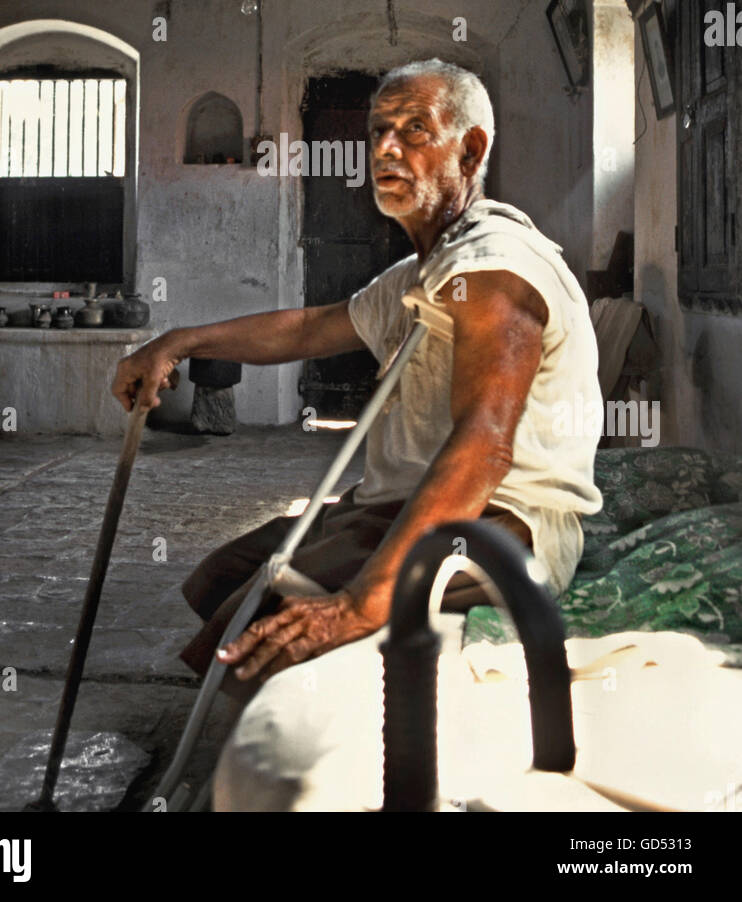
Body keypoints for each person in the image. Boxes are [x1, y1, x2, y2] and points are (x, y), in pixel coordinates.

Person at [112, 59, 603, 695]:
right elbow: (310, 329)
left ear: (471, 149)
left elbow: (486, 440)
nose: (386, 149)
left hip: (496, 524)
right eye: (378, 132)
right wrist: (180, 341)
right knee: (221, 580)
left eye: (416, 130)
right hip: (395, 503)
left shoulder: (493, 265)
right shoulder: (423, 270)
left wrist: (364, 600)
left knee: (256, 622)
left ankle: (254, 766)